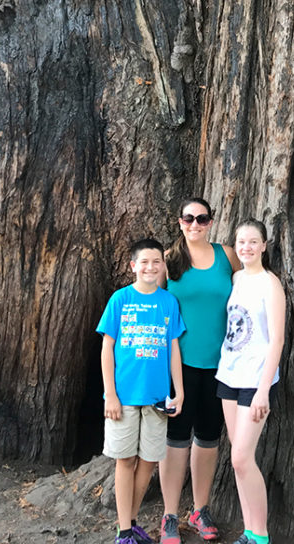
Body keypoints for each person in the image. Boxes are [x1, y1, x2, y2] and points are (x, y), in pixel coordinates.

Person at [159, 198, 240, 544]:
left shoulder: (228, 256)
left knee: (208, 438)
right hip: (180, 367)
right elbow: (154, 306)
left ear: (211, 221)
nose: (195, 224)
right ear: (179, 222)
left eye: (202, 218)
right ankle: (170, 516)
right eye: (188, 218)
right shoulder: (169, 260)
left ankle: (200, 509)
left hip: (221, 367)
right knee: (176, 440)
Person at [98, 238, 185, 544]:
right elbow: (107, 348)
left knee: (148, 461)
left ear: (163, 265)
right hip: (123, 397)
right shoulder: (120, 300)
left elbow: (174, 349)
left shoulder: (168, 302)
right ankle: (124, 532)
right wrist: (110, 393)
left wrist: (180, 391)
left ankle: (131, 520)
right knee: (125, 460)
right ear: (133, 266)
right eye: (144, 262)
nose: (150, 267)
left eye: (156, 262)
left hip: (157, 397)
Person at [215, 219, 286, 544]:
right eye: (240, 242)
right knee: (239, 459)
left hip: (256, 381)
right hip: (229, 374)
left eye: (252, 242)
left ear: (263, 245)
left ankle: (261, 536)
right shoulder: (236, 278)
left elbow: (277, 341)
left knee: (241, 457)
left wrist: (262, 392)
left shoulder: (270, 284)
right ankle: (248, 531)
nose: (245, 247)